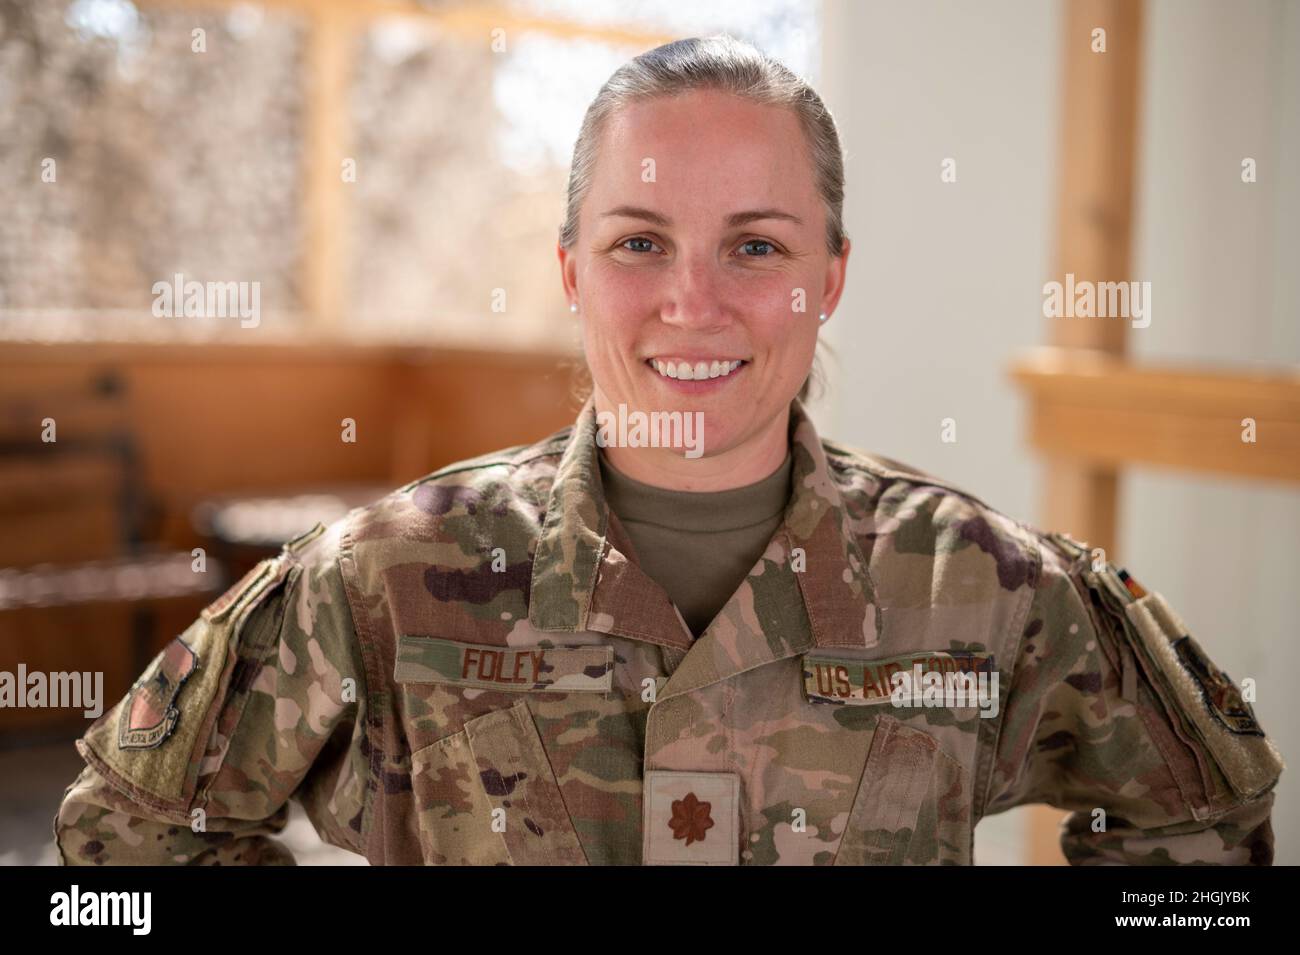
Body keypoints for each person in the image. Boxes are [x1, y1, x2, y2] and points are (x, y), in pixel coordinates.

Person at [55, 34, 1281, 866]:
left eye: (756, 247)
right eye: (640, 242)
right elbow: (112, 851)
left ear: (828, 280)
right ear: (570, 270)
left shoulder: (984, 582)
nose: (693, 303)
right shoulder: (383, 576)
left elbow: (1209, 830)